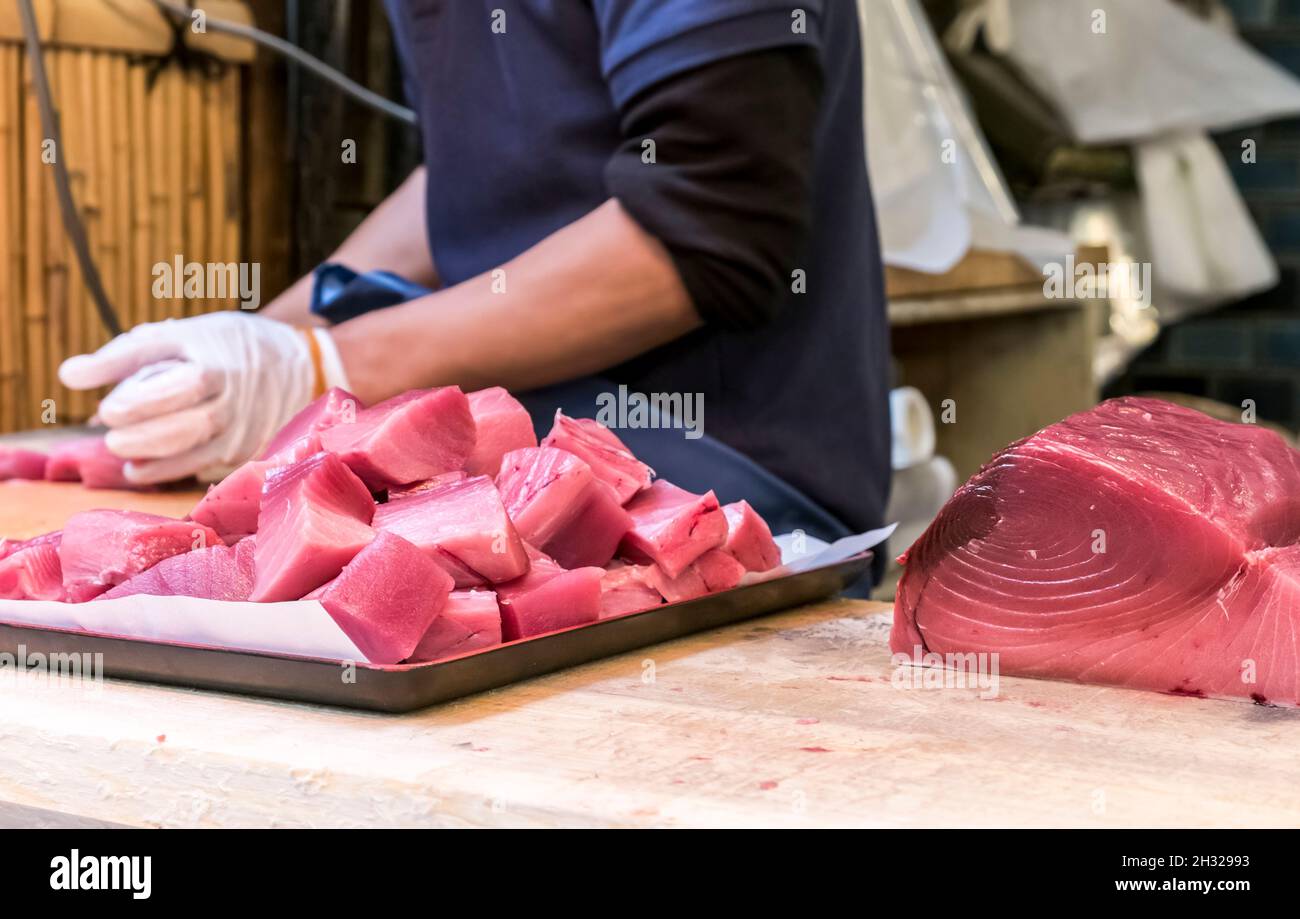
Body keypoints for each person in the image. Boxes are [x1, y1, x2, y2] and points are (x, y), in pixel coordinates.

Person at [58, 1, 891, 572]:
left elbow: (709, 222)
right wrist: (254, 348)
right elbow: (470, 184)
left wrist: (322, 364)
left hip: (725, 508)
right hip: (508, 483)